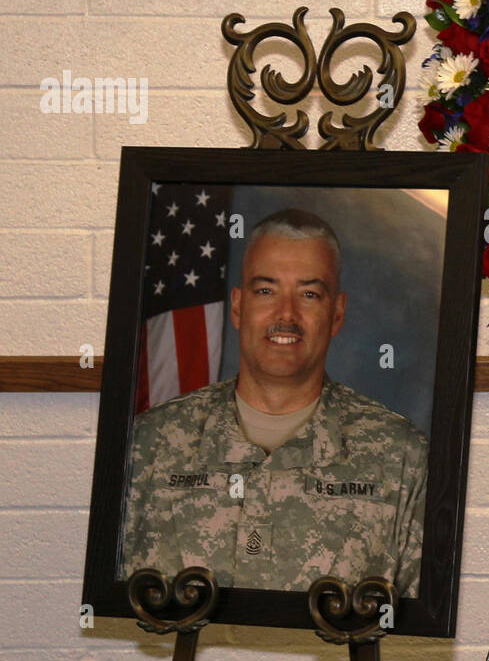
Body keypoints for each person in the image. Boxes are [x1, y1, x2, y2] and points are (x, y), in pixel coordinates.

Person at [122, 208, 429, 596]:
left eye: (309, 294)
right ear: (237, 306)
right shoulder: (148, 445)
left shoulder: (402, 459)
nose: (286, 314)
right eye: (266, 291)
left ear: (336, 314)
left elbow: (415, 635)